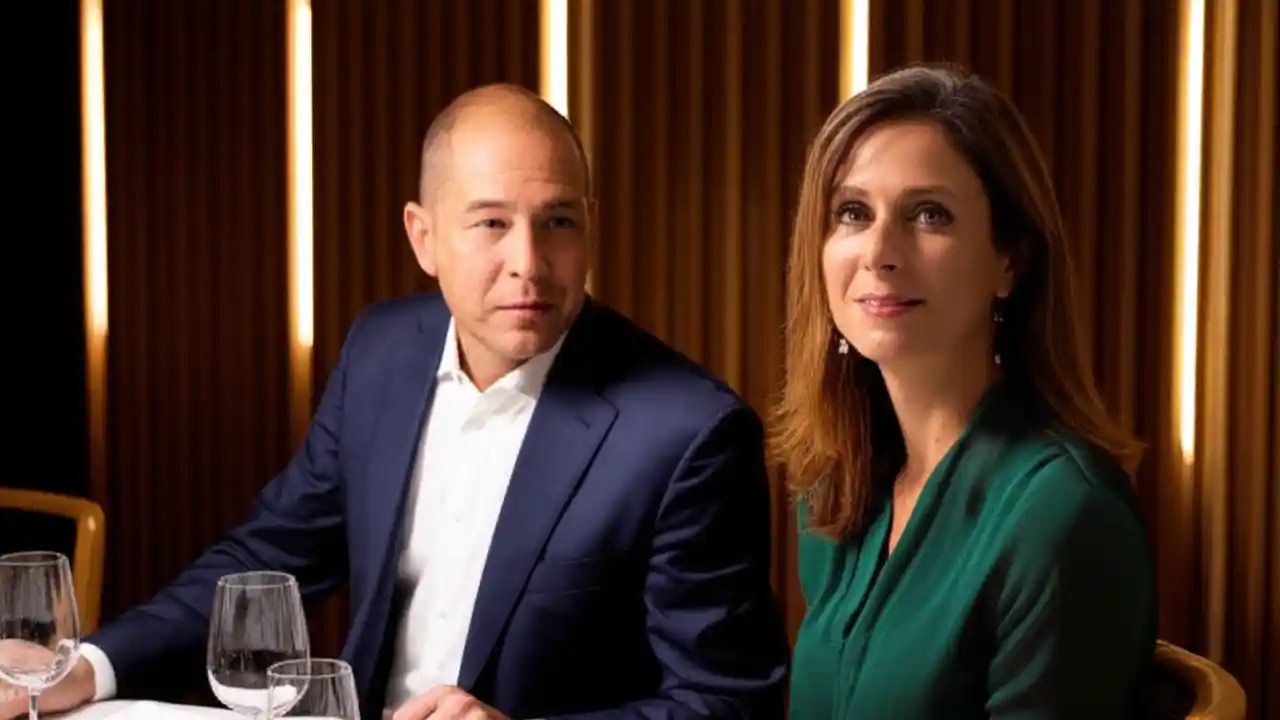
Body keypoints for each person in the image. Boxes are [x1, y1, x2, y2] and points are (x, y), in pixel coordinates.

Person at [2, 84, 789, 720]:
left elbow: (727, 700)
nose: (530, 263)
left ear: (592, 228)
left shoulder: (689, 431)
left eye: (559, 223)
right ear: (423, 237)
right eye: (490, 224)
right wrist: (91, 668)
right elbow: (271, 557)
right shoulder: (383, 349)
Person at [771, 64, 1156, 718]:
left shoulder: (1064, 519)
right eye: (853, 212)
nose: (879, 252)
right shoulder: (836, 488)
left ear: (1010, 259)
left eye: (929, 214)